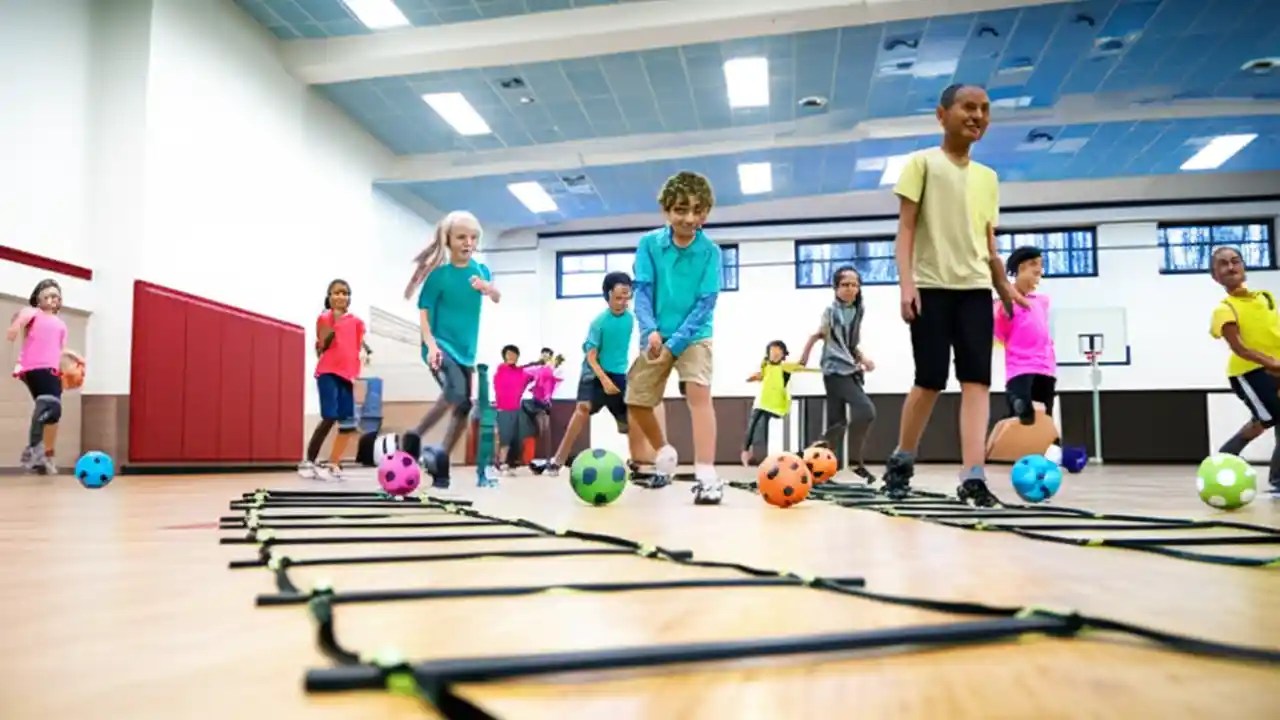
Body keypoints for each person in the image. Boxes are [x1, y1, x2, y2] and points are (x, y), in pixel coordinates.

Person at [882, 83, 1028, 506]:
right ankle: (902, 460)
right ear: (941, 114)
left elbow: (988, 240)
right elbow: (906, 227)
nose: (978, 116)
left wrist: (1003, 285)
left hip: (975, 292)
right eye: (968, 107)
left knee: (977, 383)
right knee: (929, 380)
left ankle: (973, 476)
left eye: (984, 109)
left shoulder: (988, 178)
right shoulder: (921, 164)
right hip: (930, 287)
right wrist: (906, 284)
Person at [625, 170, 724, 504]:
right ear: (667, 211)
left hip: (695, 332)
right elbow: (642, 291)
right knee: (637, 400)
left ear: (706, 213)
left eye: (697, 210)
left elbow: (706, 302)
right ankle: (664, 450)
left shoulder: (711, 251)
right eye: (681, 210)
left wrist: (676, 344)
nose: (689, 218)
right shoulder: (649, 244)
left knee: (699, 392)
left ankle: (706, 472)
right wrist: (650, 330)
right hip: (656, 331)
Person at [402, 210, 501, 487]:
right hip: (438, 345)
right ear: (448, 240)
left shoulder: (480, 271)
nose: (468, 242)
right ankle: (416, 435)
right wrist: (431, 345)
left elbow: (496, 296)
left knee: (464, 406)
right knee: (456, 391)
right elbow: (424, 311)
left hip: (466, 351)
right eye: (461, 237)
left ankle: (440, 453)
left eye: (473, 237)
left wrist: (487, 288)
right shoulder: (439, 276)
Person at [543, 272, 635, 475]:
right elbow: (591, 356)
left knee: (630, 423)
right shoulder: (599, 322)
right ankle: (557, 460)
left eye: (627, 296)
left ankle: (638, 461)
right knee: (582, 410)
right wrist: (604, 380)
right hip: (593, 374)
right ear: (608, 295)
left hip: (618, 375)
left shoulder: (630, 320)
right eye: (618, 297)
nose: (622, 302)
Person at [1209, 245, 1280, 489]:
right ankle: (1225, 456)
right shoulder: (1224, 309)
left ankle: (1278, 480)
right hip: (1248, 373)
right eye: (1223, 264)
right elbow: (1240, 348)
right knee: (1269, 418)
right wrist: (1271, 363)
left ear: (1243, 267)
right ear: (1215, 276)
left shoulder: (1265, 297)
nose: (1231, 267)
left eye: (1235, 261)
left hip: (1277, 367)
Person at [797, 265, 878, 482]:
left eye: (854, 285)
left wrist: (863, 359)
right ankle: (849, 462)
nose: (850, 289)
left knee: (837, 422)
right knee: (866, 410)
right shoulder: (831, 312)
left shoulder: (858, 311)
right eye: (844, 285)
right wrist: (804, 356)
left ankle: (819, 467)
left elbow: (850, 344)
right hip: (834, 370)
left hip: (850, 368)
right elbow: (819, 334)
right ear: (835, 288)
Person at [8, 279, 83, 475]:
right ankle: (33, 450)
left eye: (56, 296)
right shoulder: (33, 313)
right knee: (49, 403)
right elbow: (20, 320)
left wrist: (72, 356)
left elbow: (59, 349)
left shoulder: (61, 325)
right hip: (34, 366)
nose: (52, 299)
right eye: (48, 296)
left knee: (54, 413)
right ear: (38, 299)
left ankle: (40, 453)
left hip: (52, 368)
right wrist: (15, 328)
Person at [298, 279, 367, 481]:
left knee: (347, 423)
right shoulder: (324, 318)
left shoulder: (357, 322)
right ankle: (308, 461)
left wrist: (359, 365)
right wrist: (334, 319)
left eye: (345, 293)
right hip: (328, 372)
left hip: (347, 375)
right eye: (336, 293)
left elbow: (357, 346)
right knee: (330, 415)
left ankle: (333, 464)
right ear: (329, 297)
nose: (340, 297)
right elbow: (322, 345)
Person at [994, 246, 1057, 424]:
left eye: (1040, 266)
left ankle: (1044, 445)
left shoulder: (1042, 302)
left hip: (1044, 367)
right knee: (1023, 412)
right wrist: (1006, 306)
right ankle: (1016, 408)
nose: (1039, 269)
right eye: (1033, 265)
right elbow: (999, 333)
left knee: (1043, 416)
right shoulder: (1003, 303)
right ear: (1020, 269)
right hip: (1020, 367)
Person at [741, 340, 799, 467]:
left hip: (775, 403)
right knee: (753, 424)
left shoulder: (786, 367)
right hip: (762, 401)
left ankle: (767, 457)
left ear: (783, 354)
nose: (774, 354)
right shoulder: (765, 364)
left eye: (778, 352)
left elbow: (801, 366)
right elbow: (762, 375)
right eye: (772, 352)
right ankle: (746, 452)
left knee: (766, 428)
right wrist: (753, 377)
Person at [493, 344, 534, 474]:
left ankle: (509, 464)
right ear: (504, 356)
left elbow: (533, 373)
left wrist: (544, 364)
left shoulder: (521, 373)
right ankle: (500, 464)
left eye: (514, 355)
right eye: (509, 354)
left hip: (516, 409)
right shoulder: (501, 369)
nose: (512, 357)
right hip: (503, 410)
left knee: (515, 439)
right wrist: (533, 364)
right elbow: (526, 368)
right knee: (504, 438)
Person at [522, 352, 564, 462]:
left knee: (542, 431)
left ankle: (545, 459)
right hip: (535, 402)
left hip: (540, 403)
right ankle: (539, 458)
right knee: (538, 431)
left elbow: (549, 387)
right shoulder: (540, 369)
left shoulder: (549, 371)